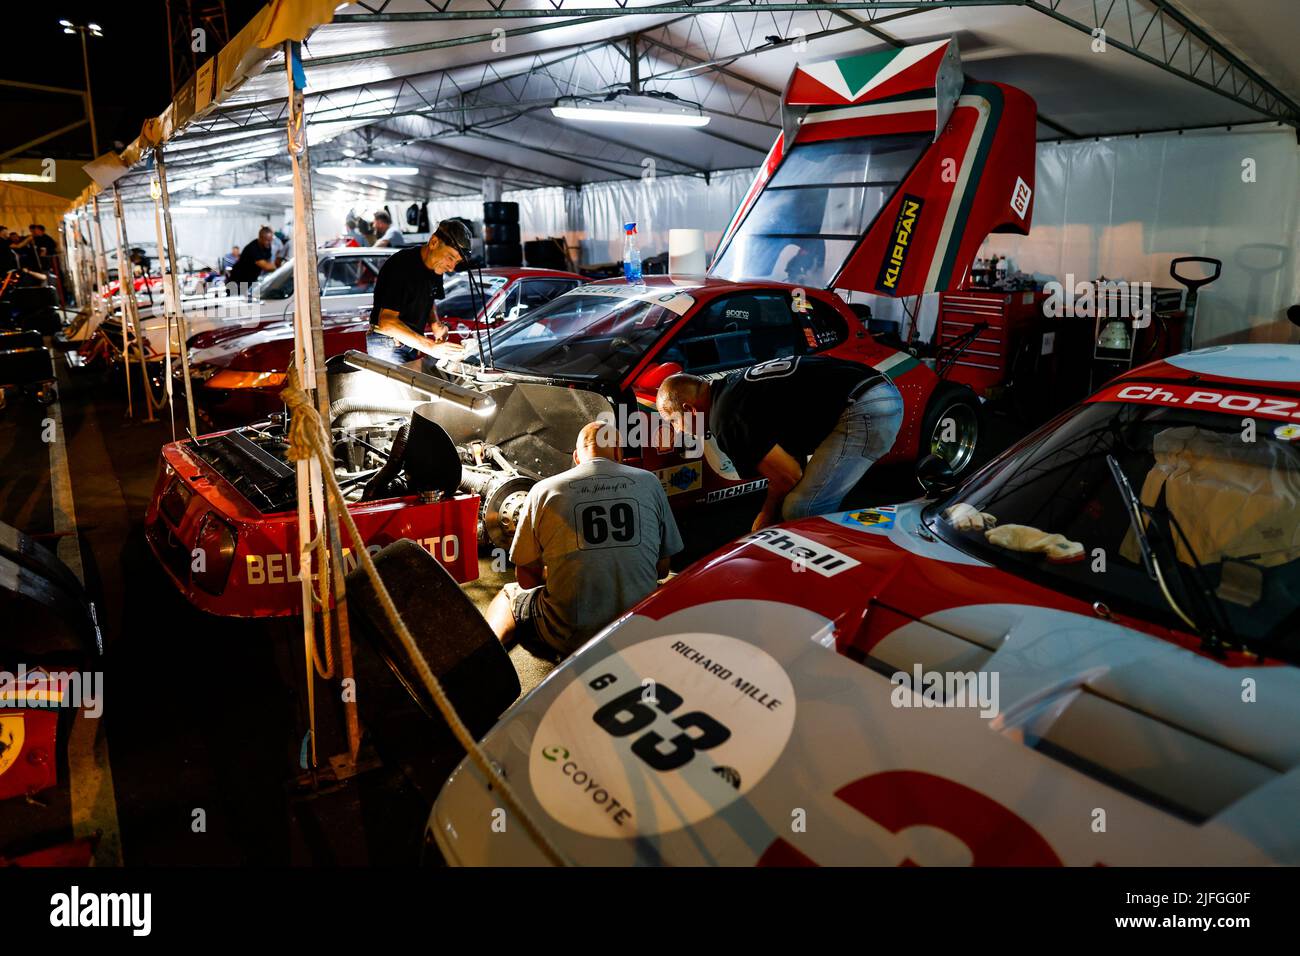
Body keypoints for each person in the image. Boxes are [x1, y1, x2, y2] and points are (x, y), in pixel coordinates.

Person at [487, 420, 684, 657]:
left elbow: (526, 580)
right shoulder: (649, 482)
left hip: (570, 636)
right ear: (619, 452)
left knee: (510, 594)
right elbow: (662, 569)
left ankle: (486, 654)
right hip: (637, 626)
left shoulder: (543, 490)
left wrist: (560, 571)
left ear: (577, 457)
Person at [656, 355, 905, 531]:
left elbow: (787, 476)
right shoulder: (730, 389)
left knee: (802, 509)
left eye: (674, 422)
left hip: (866, 405)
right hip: (872, 392)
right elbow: (787, 469)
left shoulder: (725, 420)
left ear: (688, 409)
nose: (678, 430)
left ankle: (842, 571)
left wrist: (765, 516)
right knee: (809, 501)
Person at [368, 218, 471, 362]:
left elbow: (429, 298)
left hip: (411, 343)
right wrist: (431, 347)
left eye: (457, 262)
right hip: (388, 343)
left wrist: (436, 325)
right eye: (450, 257)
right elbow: (387, 322)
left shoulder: (436, 268)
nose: (451, 267)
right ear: (434, 242)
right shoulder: (401, 266)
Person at [227, 226, 277, 293]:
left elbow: (269, 262)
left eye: (271, 240)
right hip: (238, 280)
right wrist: (281, 267)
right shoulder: (253, 249)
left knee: (253, 300)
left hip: (251, 279)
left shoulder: (267, 246)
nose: (269, 242)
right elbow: (266, 266)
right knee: (237, 301)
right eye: (267, 240)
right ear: (260, 238)